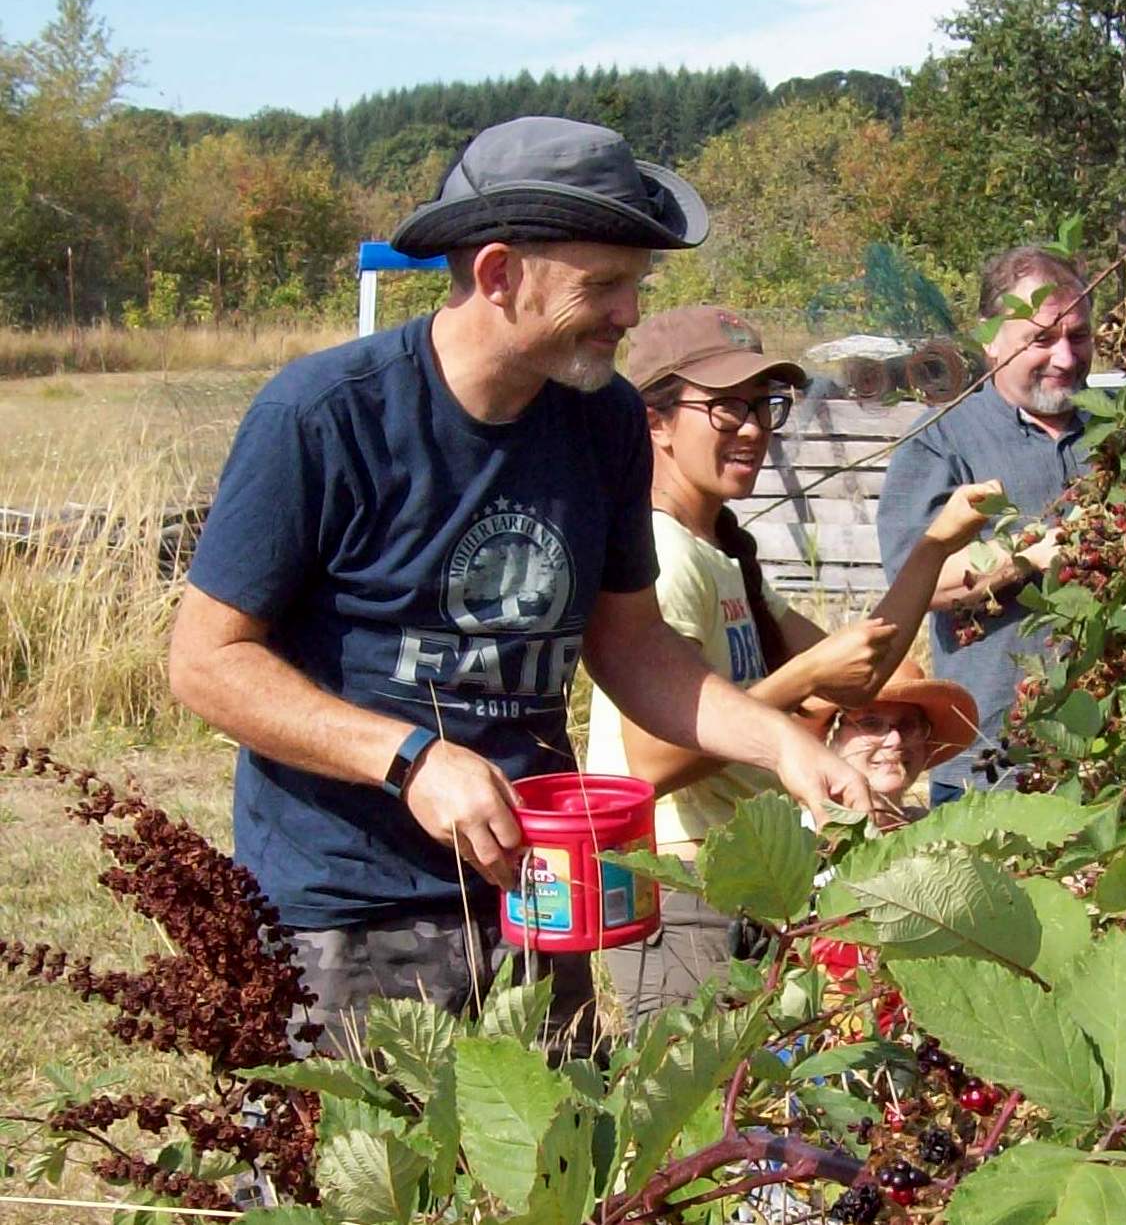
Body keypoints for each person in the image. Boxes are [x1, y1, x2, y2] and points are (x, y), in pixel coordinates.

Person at [167, 117, 876, 1053]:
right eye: (605, 285)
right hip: (347, 910)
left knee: (548, 1184)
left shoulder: (607, 421)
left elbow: (629, 645)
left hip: (538, 893)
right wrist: (411, 757)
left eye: (636, 285)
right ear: (499, 274)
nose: (629, 314)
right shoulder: (324, 414)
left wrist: (779, 739)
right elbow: (206, 662)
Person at [586, 305, 1000, 1019]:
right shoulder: (661, 554)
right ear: (654, 421)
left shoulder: (723, 552)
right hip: (678, 879)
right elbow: (651, 760)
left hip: (749, 875)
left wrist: (933, 544)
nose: (752, 428)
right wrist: (802, 684)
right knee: (694, 1115)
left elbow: (864, 670)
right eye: (725, 408)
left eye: (763, 406)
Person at [876, 244, 1094, 807]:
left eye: (1080, 336)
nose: (1066, 358)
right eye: (1041, 340)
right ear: (988, 339)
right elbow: (913, 578)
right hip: (992, 763)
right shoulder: (942, 438)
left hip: (1111, 753)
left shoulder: (1121, 432)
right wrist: (1025, 557)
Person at [795, 660, 979, 820]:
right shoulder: (803, 841)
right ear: (829, 738)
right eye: (870, 724)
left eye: (908, 725)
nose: (895, 739)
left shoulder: (944, 839)